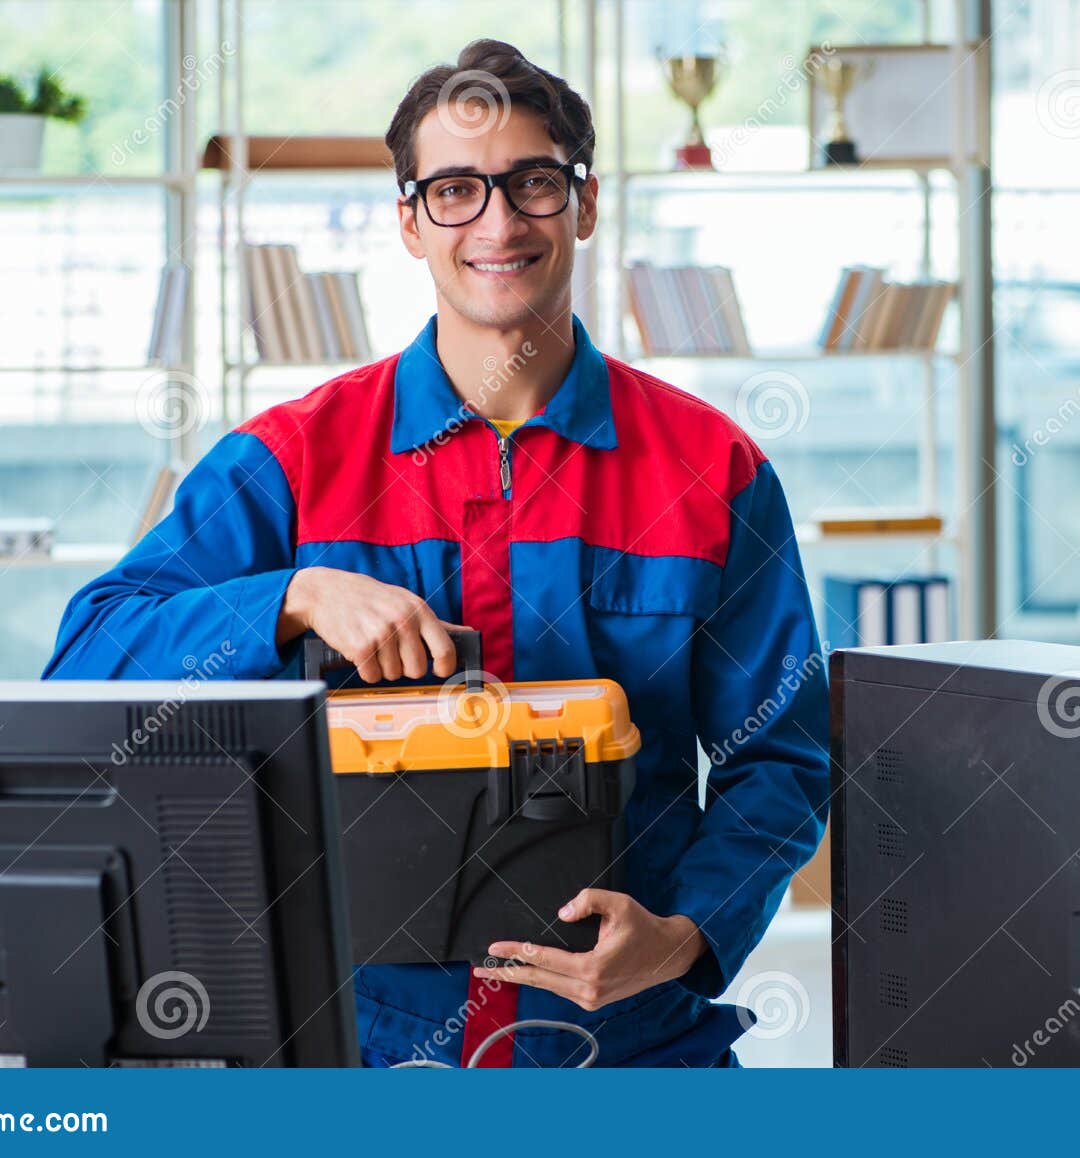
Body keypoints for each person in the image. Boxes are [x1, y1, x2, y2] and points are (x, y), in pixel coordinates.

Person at [43, 38, 827, 1068]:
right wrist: (294, 597)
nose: (498, 223)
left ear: (583, 205)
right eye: (456, 190)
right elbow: (86, 666)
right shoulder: (288, 460)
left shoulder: (708, 470)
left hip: (633, 1047)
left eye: (532, 184)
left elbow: (782, 756)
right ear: (410, 220)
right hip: (358, 1046)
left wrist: (685, 934)